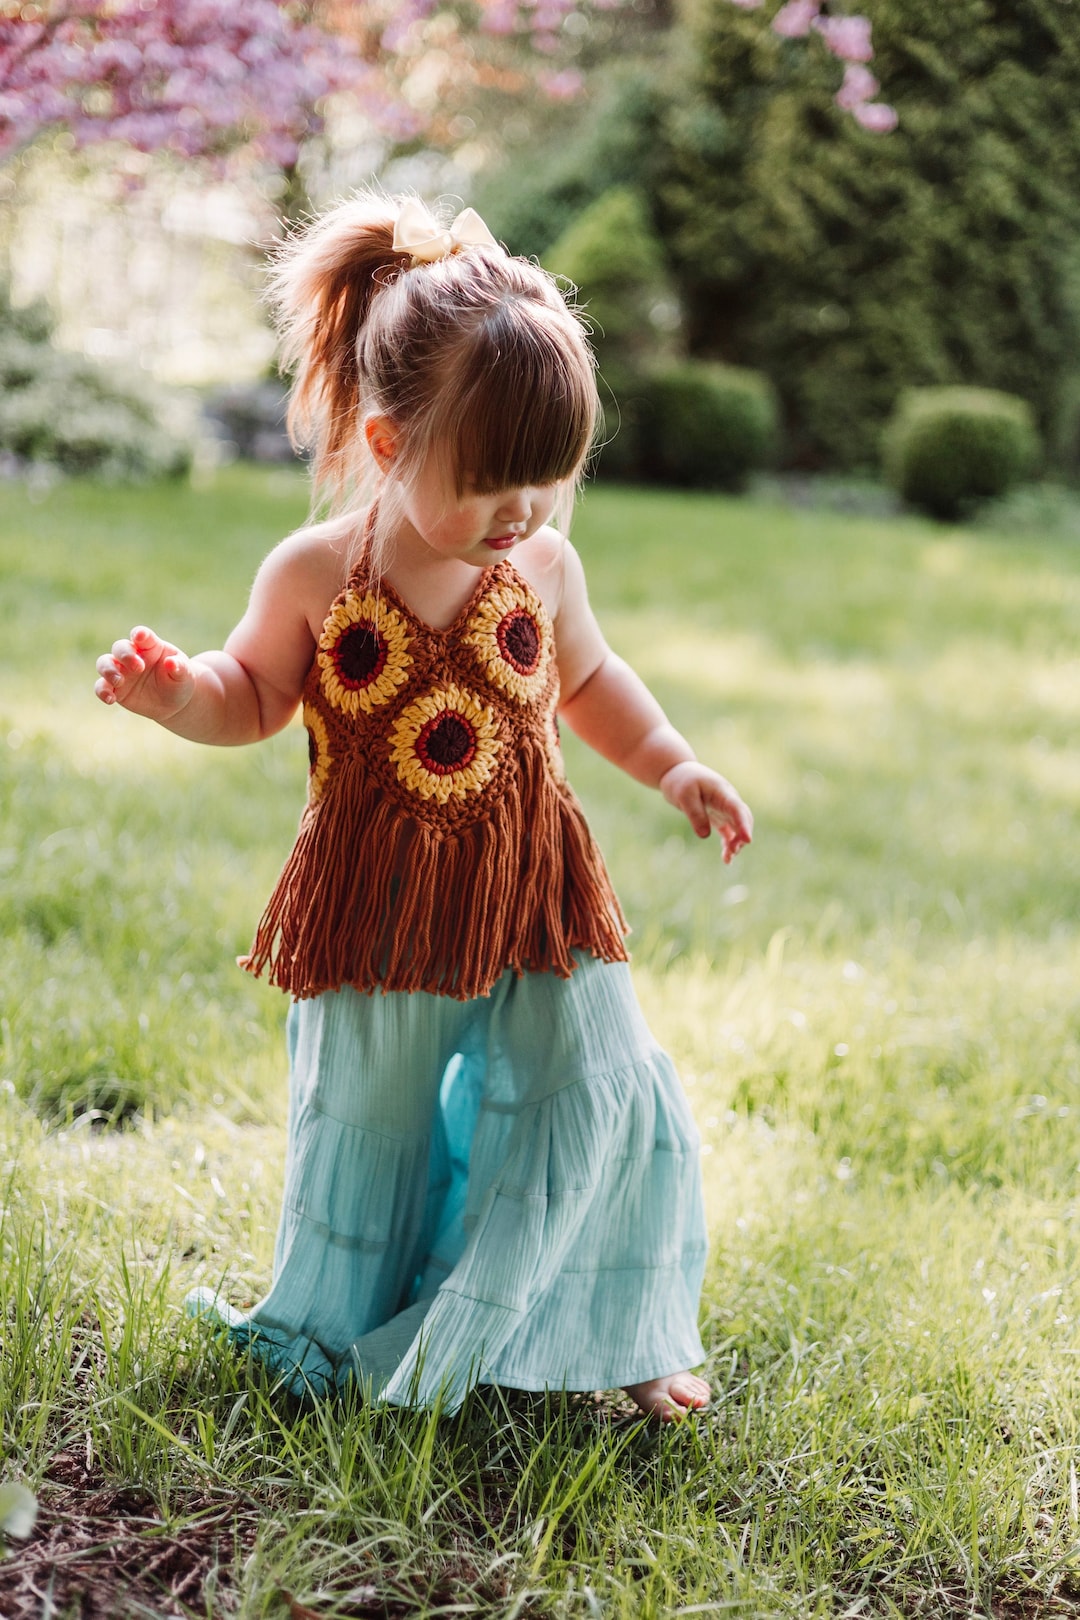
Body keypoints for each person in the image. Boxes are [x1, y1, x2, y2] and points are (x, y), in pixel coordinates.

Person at [93, 193, 753, 1421]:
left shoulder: (543, 566)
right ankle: (335, 1330)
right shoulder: (313, 572)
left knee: (594, 1073)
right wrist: (177, 691)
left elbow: (591, 680)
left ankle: (623, 1324)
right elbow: (251, 697)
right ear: (391, 446)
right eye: (497, 485)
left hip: (533, 887)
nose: (524, 515)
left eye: (548, 485)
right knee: (371, 1122)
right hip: (377, 908)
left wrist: (671, 764)